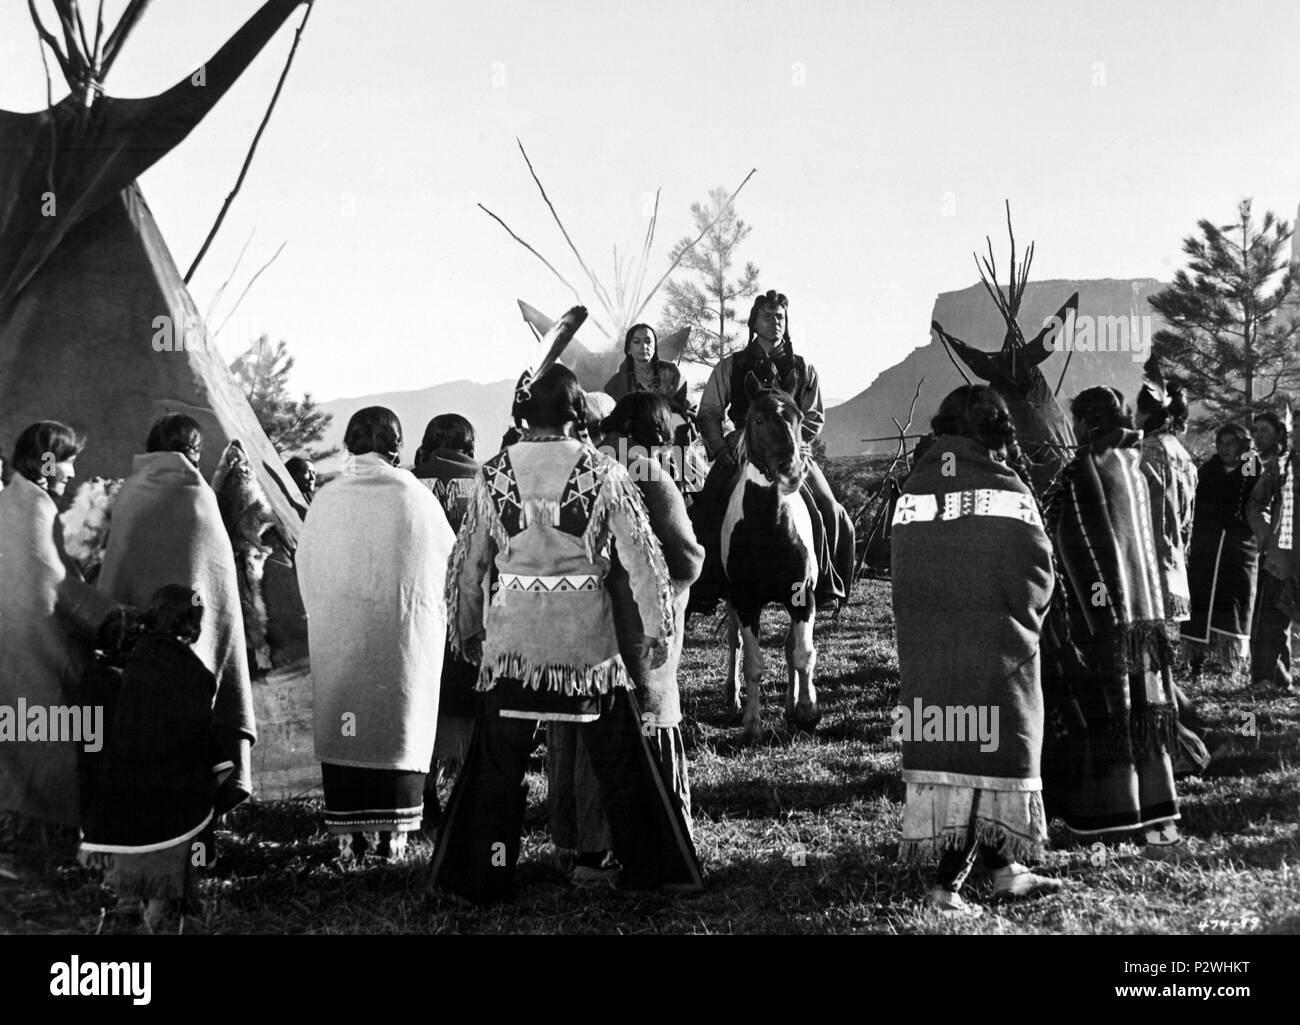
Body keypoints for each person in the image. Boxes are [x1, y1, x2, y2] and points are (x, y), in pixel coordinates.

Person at [429, 365, 703, 905]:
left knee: (499, 771)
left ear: (524, 415)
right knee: (619, 764)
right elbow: (644, 560)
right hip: (586, 654)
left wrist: (468, 629)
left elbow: (468, 564)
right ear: (577, 415)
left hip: (512, 652)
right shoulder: (603, 472)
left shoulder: (494, 475)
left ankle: (488, 876)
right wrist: (657, 627)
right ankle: (644, 873)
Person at [892, 386, 1062, 916]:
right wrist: (1029, 615)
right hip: (994, 653)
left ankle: (1005, 870)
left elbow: (903, 572)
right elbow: (1036, 570)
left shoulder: (916, 486)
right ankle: (946, 889)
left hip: (930, 652)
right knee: (988, 755)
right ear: (997, 431)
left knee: (955, 753)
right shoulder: (1004, 486)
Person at [297, 407, 455, 862]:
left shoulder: (327, 500)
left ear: (349, 444)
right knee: (396, 723)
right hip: (402, 645)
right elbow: (449, 570)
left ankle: (351, 843)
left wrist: (329, 615)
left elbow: (307, 569)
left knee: (348, 724)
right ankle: (392, 841)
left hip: (341, 641)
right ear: (397, 445)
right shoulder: (417, 499)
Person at [1043, 387, 1185, 856]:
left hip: (1102, 619)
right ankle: (1158, 812)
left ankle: (1114, 813)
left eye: (1077, 420)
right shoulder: (1137, 466)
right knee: (1146, 709)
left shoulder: (1082, 472)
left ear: (1086, 422)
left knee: (1111, 712)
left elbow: (1064, 539)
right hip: (1145, 614)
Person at [96, 414, 256, 813]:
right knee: (194, 731)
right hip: (193, 652)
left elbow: (117, 575)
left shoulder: (131, 494)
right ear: (194, 452)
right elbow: (218, 589)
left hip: (139, 664)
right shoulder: (197, 494)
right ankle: (197, 821)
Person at [0, 422, 117, 868]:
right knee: (54, 741)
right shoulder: (33, 507)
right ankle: (41, 849)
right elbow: (55, 584)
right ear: (47, 463)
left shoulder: (17, 500)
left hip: (15, 649)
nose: (71, 472)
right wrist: (114, 618)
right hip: (35, 652)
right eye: (67, 461)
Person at [79, 585, 228, 935]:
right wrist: (217, 767)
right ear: (193, 625)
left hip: (122, 792)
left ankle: (126, 906)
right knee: (170, 845)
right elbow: (195, 736)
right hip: (170, 796)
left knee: (132, 842)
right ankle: (160, 916)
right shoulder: (195, 675)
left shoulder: (128, 665)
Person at [693, 290, 854, 611]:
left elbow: (813, 414)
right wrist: (720, 447)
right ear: (754, 323)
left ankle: (824, 584)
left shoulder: (802, 368)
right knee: (706, 507)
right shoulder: (732, 366)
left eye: (780, 317)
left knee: (829, 508)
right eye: (767, 316)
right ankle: (706, 585)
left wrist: (796, 440)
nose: (775, 322)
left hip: (791, 452)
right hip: (744, 447)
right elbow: (709, 411)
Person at [410, 413, 481, 831]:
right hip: (474, 612)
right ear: (470, 445)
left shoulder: (410, 484)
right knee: (470, 702)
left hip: (421, 611)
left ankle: (424, 795)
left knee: (425, 699)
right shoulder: (488, 483)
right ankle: (468, 799)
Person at [1182, 424, 1260, 676]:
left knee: (1233, 603)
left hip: (1238, 549)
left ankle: (1230, 662)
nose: (1225, 448)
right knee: (1202, 602)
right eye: (1221, 443)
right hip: (1207, 547)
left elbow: (1252, 497)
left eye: (1231, 443)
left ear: (1242, 445)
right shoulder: (1208, 471)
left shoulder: (1249, 465)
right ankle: (1196, 661)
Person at [1246, 410, 1297, 692]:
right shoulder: (1275, 466)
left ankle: (1281, 676)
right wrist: (1266, 535)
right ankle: (1268, 677)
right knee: (1271, 619)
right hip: (1279, 556)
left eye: (1265, 430)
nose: (1258, 436)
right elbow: (1252, 502)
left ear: (1279, 433)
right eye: (1296, 427)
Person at [602, 324, 690, 414]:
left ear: (654, 347)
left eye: (648, 341)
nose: (643, 346)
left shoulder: (673, 374)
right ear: (628, 349)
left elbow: (689, 410)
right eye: (637, 342)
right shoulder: (614, 386)